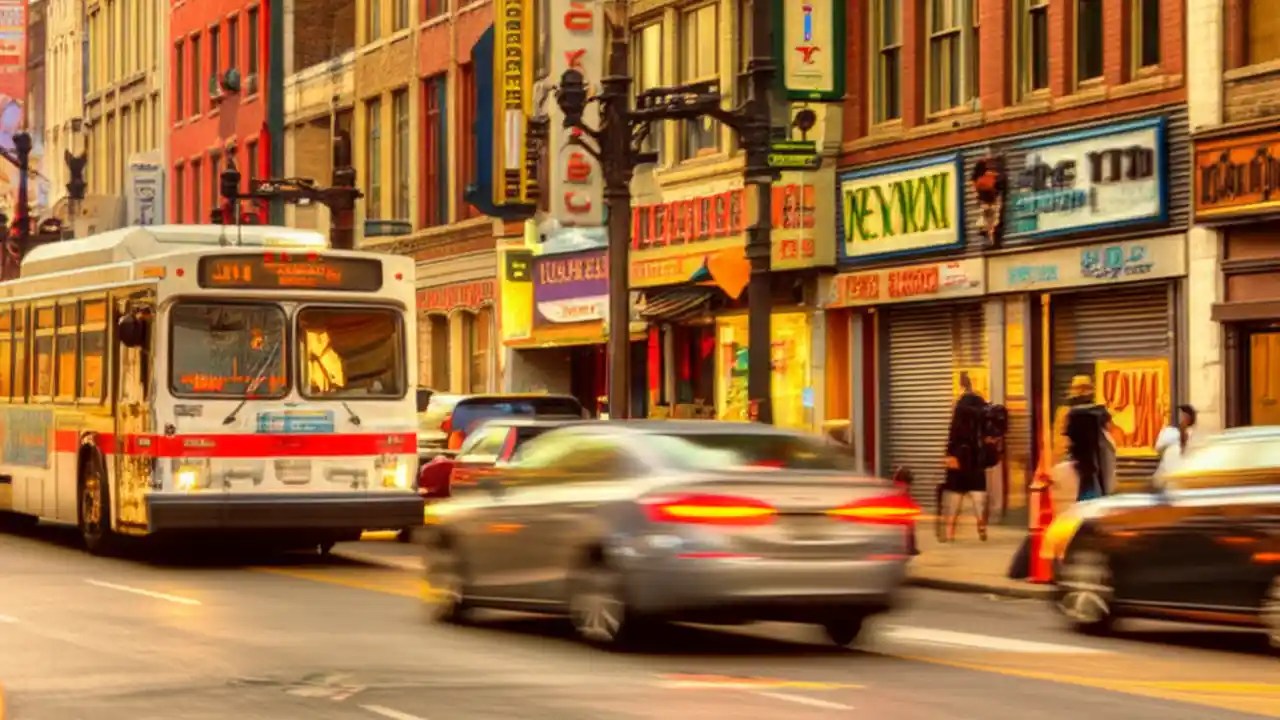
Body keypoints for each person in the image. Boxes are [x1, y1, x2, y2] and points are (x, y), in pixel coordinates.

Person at [942, 372, 989, 542]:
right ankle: (981, 524)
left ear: (961, 385)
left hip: (961, 454)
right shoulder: (983, 405)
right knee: (978, 491)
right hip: (978, 455)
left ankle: (950, 530)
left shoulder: (960, 406)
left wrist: (950, 453)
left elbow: (954, 432)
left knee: (955, 493)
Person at [1061, 375, 1118, 501]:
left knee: (1085, 492)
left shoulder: (1069, 413)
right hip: (1094, 462)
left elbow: (1064, 440)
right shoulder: (1098, 411)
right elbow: (1112, 431)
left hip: (1082, 463)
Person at [1154, 404, 1197, 479]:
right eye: (1182, 415)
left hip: (1182, 475)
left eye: (1185, 416)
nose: (1182, 418)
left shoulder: (1193, 435)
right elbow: (1158, 447)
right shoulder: (1169, 432)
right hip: (1167, 475)